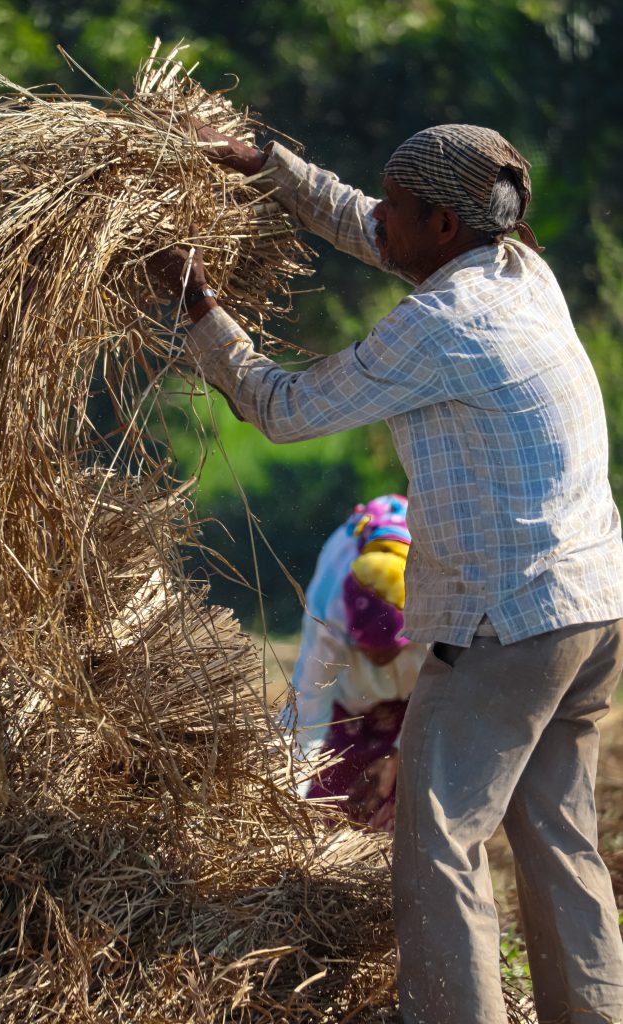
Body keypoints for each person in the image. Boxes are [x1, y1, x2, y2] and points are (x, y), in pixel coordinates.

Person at [149, 121, 623, 1024]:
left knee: (436, 841)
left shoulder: (441, 324)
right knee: (561, 844)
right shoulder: (524, 271)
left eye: (398, 208)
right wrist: (273, 168)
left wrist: (196, 304)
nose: (381, 222)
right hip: (589, 608)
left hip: (506, 622)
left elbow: (280, 409)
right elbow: (367, 227)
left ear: (443, 226)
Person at [288, 493, 428, 832]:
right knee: (329, 788)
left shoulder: (436, 601)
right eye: (366, 649)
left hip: (415, 695)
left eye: (385, 651)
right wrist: (288, 796)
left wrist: (397, 753)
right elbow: (309, 711)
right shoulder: (330, 611)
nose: (376, 659)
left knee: (414, 793)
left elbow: (444, 696)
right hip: (348, 698)